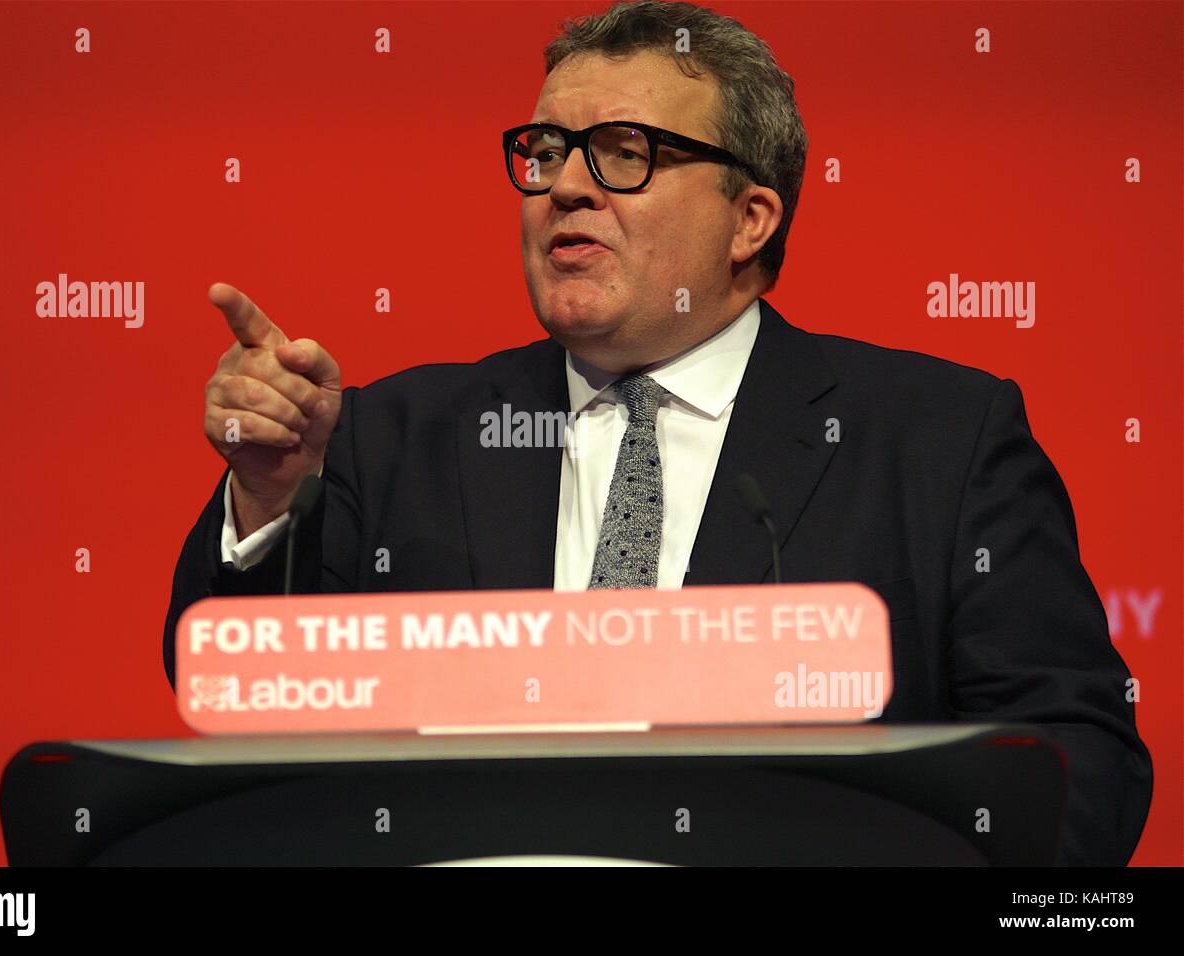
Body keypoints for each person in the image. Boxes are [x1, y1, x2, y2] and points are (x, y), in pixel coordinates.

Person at [163, 0, 1151, 865]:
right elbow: (255, 724)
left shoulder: (935, 439)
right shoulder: (394, 434)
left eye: (623, 153)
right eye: (543, 153)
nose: (563, 188)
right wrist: (272, 495)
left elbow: (1074, 760)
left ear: (749, 217)